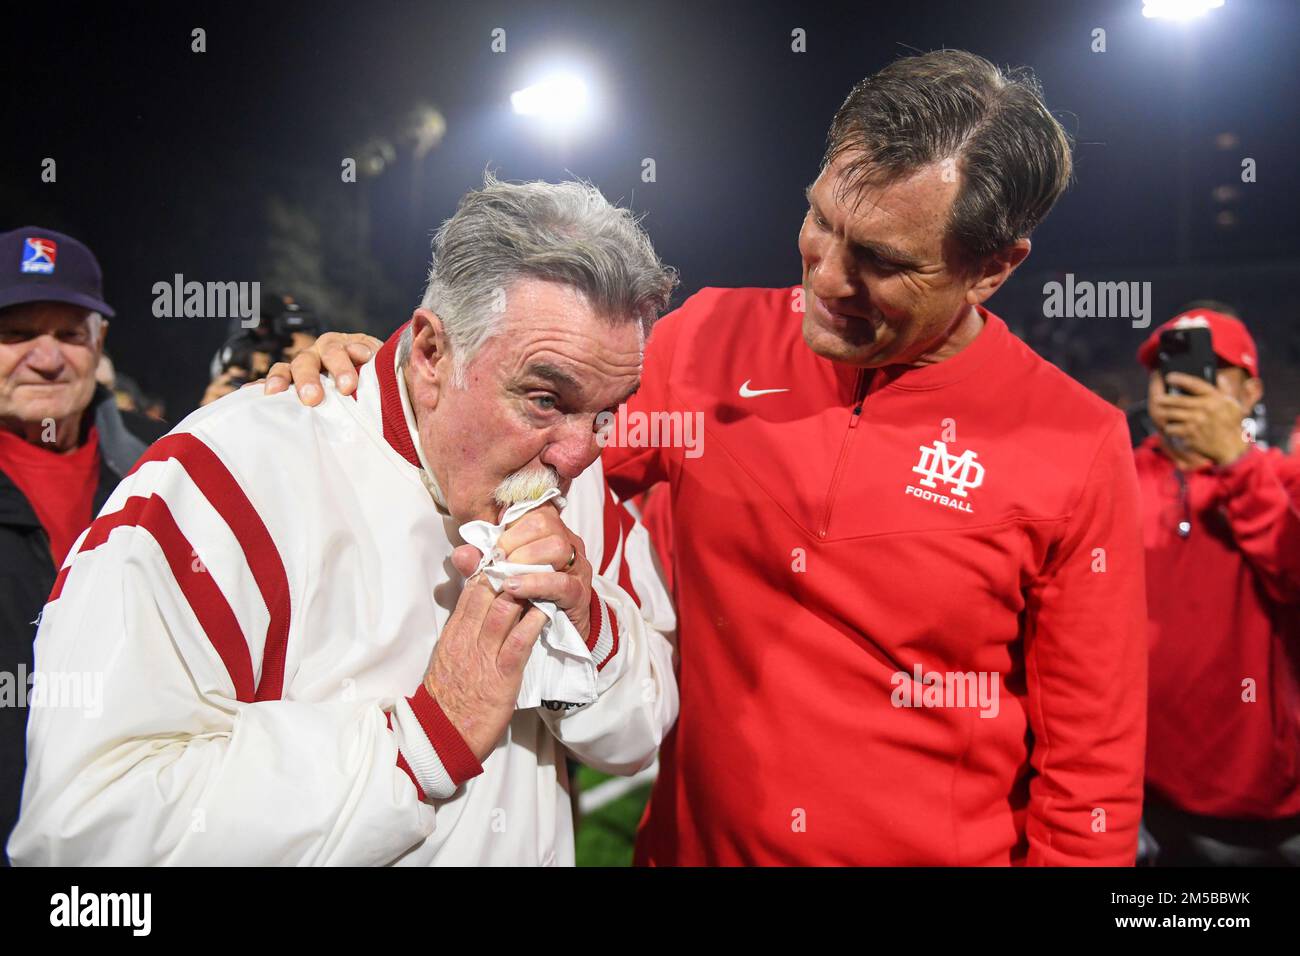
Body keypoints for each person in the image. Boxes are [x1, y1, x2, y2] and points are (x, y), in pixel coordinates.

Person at [278, 50, 1148, 865]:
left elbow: (1093, 775)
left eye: (880, 260)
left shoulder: (1075, 442)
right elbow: (503, 433)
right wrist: (391, 370)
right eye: (820, 218)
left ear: (993, 268)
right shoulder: (705, 344)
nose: (826, 276)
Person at [8, 177, 679, 865]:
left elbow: (637, 737)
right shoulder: (224, 478)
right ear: (429, 354)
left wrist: (591, 626)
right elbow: (80, 836)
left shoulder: (574, 477)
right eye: (543, 398)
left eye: (606, 411)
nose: (579, 453)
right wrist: (420, 743)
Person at [0, 226, 166, 865]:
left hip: (139, 841)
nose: (47, 359)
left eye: (70, 334)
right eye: (17, 334)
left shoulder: (170, 459)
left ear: (100, 344)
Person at [1134, 308, 1300, 865]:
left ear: (1251, 389)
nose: (1178, 382)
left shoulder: (1286, 478)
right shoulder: (1113, 474)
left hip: (1258, 803)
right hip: (1137, 792)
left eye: (1209, 369)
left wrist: (1236, 462)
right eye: (1165, 369)